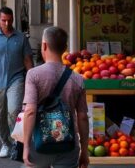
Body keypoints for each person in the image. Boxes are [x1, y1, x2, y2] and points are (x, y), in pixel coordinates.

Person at [23, 26, 89, 168]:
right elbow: (82, 117)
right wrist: (84, 150)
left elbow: (30, 111)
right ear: (65, 47)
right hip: (68, 146)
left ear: (44, 45)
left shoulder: (34, 75)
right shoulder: (77, 78)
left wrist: (26, 146)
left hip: (40, 144)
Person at [0, 7, 34, 158]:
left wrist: (32, 82)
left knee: (14, 110)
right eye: (4, 20)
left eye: (10, 20)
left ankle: (16, 142)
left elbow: (28, 60)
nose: (7, 23)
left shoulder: (21, 37)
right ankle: (5, 143)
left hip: (16, 79)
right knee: (0, 116)